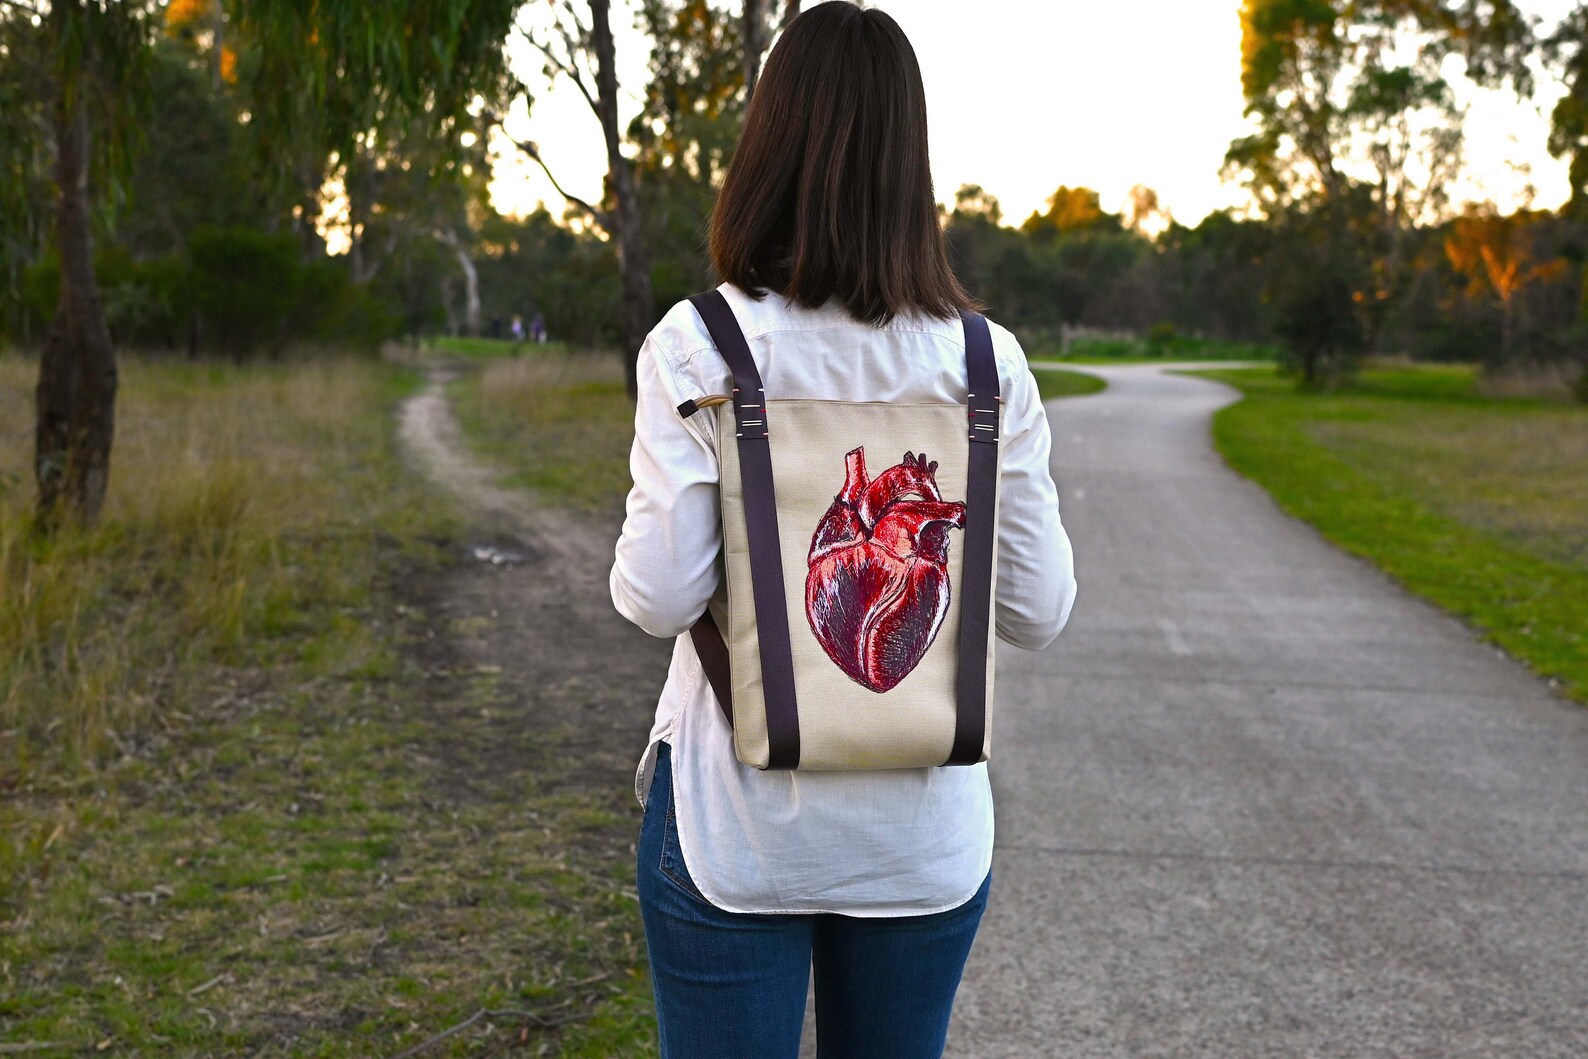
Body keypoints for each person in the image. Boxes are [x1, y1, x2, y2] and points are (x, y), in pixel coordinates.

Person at [609, 3, 1077, 1056]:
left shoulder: (701, 347)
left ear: (766, 151)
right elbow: (1039, 610)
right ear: (911, 167)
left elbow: (657, 597)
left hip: (738, 834)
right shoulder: (984, 365)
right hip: (922, 844)